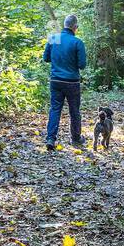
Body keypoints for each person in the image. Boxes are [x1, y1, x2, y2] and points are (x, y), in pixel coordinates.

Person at [43, 14, 87, 148]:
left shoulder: (54, 38)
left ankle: (51, 139)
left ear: (64, 25)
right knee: (74, 111)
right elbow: (82, 65)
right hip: (72, 82)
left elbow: (46, 58)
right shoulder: (77, 42)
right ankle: (76, 139)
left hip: (55, 80)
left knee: (55, 109)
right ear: (75, 27)